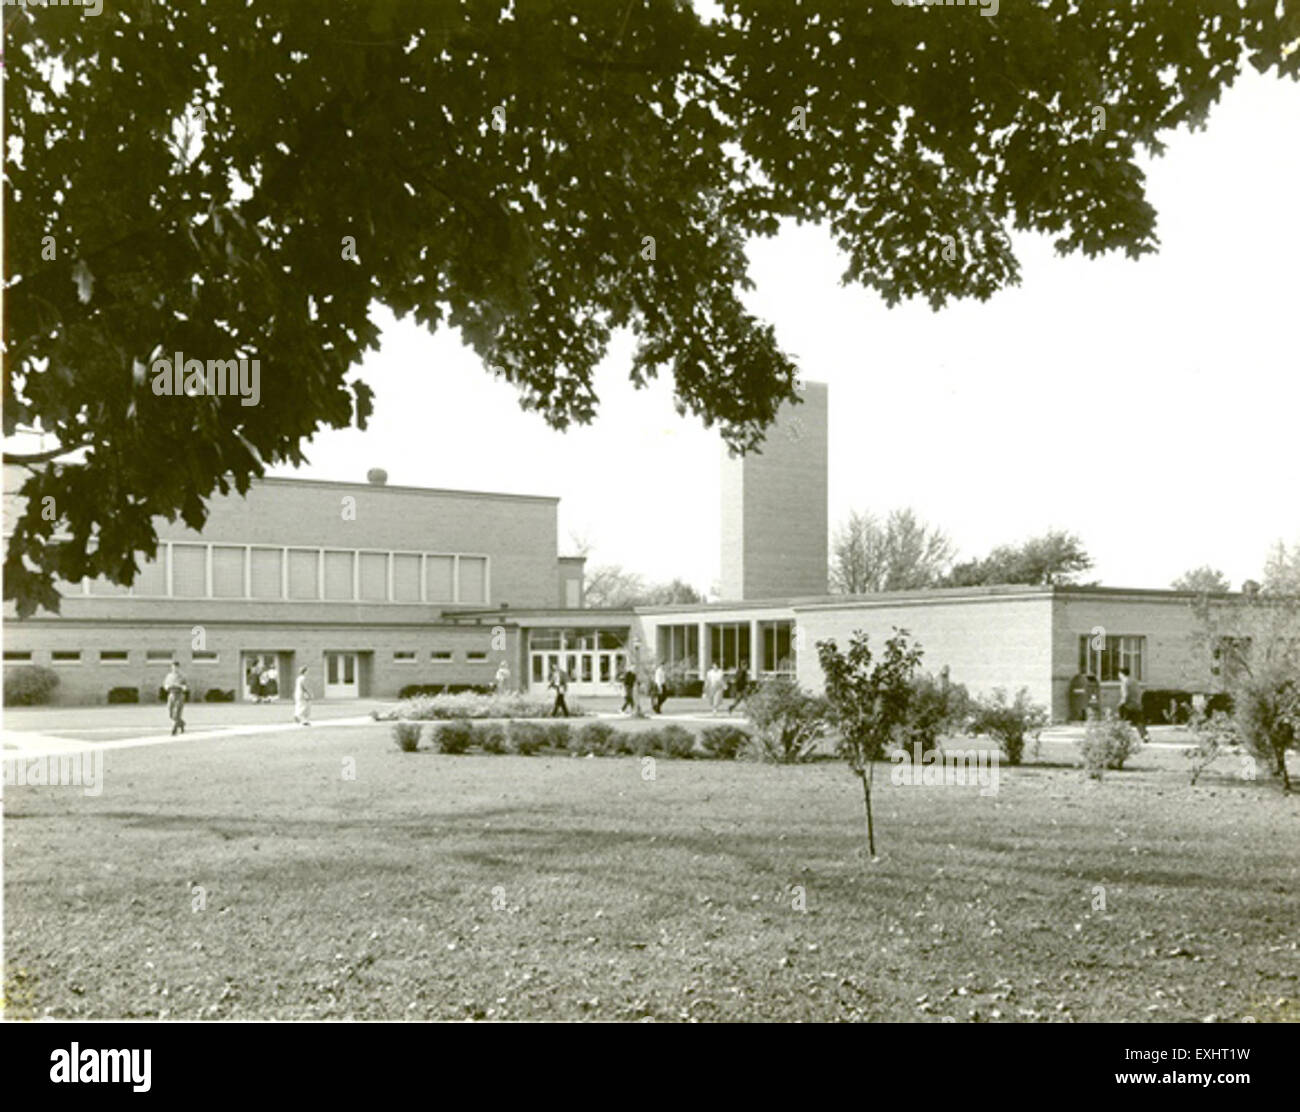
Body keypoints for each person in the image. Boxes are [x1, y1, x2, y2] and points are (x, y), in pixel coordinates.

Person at [1117, 667, 1148, 740]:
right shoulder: (1134, 681)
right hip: (1137, 704)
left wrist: (1121, 703)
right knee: (1139, 721)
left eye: (1119, 674)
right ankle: (1145, 736)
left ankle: (1122, 737)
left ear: (1122, 674)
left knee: (1123, 721)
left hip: (1128, 705)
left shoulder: (1124, 682)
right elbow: (1140, 692)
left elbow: (1126, 695)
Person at [163, 661, 188, 735]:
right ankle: (182, 723)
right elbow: (165, 685)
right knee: (170, 714)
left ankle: (174, 729)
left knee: (177, 713)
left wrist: (179, 686)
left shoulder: (182, 676)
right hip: (171, 695)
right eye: (173, 667)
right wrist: (167, 687)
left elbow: (185, 687)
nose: (175, 668)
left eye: (176, 667)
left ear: (178, 667)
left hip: (179, 695)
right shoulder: (169, 676)